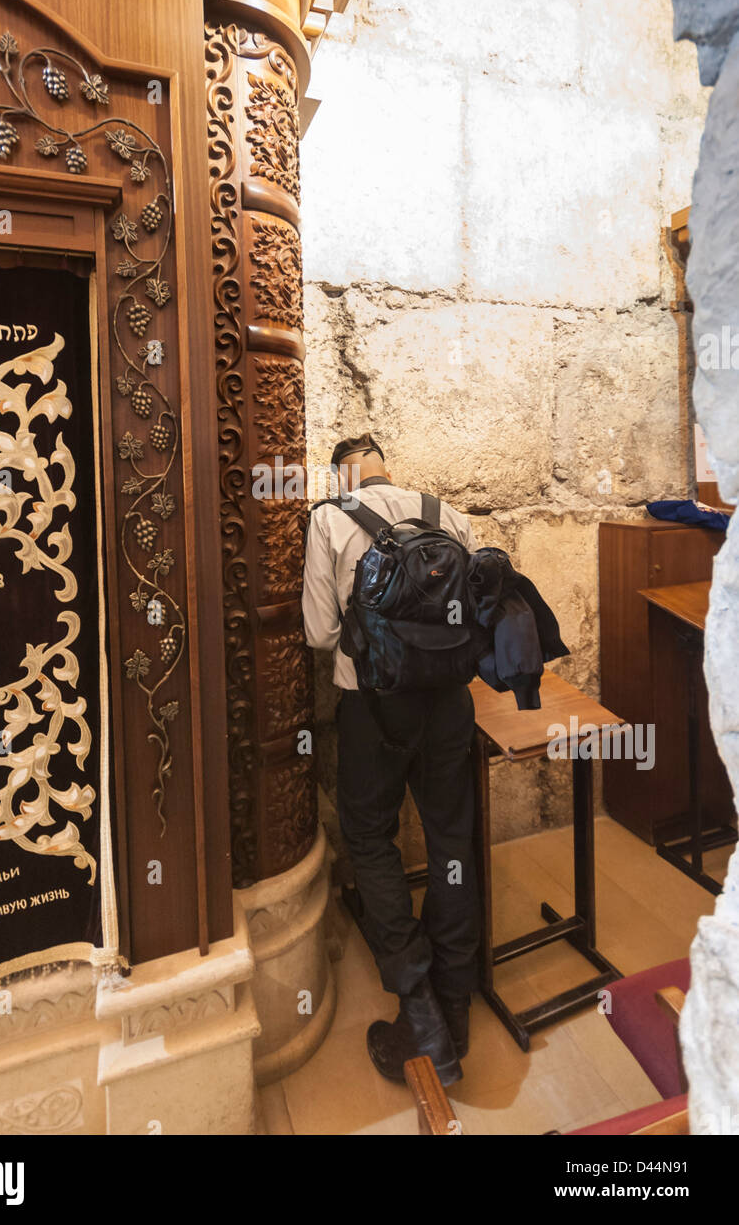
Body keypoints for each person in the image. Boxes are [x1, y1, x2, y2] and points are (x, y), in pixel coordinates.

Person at [302, 433, 480, 1086]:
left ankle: (422, 1016)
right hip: (450, 706)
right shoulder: (446, 514)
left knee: (372, 840)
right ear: (387, 468)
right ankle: (457, 1003)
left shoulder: (328, 518)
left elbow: (320, 633)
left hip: (373, 710)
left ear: (340, 476)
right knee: (452, 841)